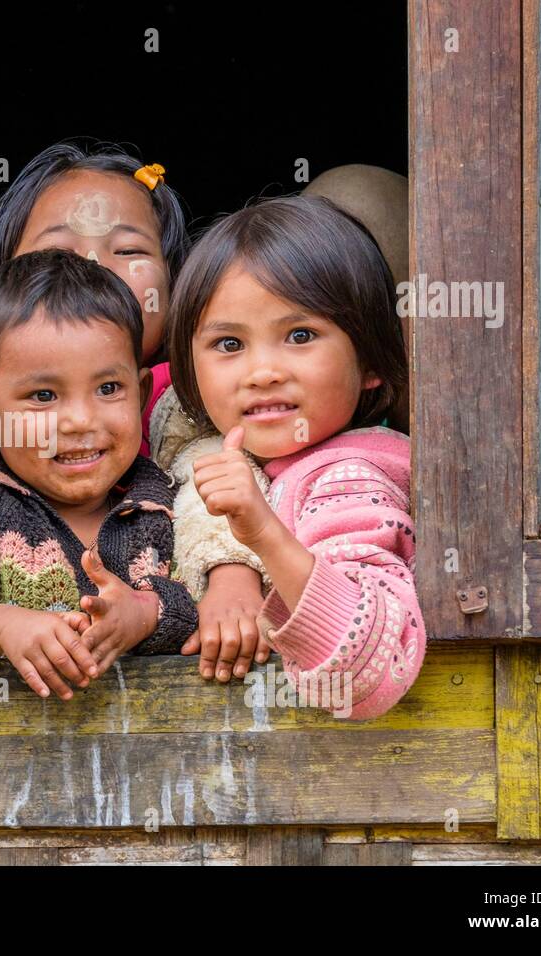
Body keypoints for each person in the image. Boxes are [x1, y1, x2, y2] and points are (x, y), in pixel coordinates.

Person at [164, 195, 424, 719]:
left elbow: (366, 668)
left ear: (371, 359)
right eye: (229, 344)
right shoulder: (247, 465)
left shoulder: (348, 477)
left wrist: (263, 535)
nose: (262, 371)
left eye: (300, 335)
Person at [0, 250, 198, 701]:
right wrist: (4, 626)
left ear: (140, 395)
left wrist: (145, 614)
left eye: (108, 388)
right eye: (43, 395)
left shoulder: (166, 499)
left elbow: (207, 604)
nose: (78, 420)